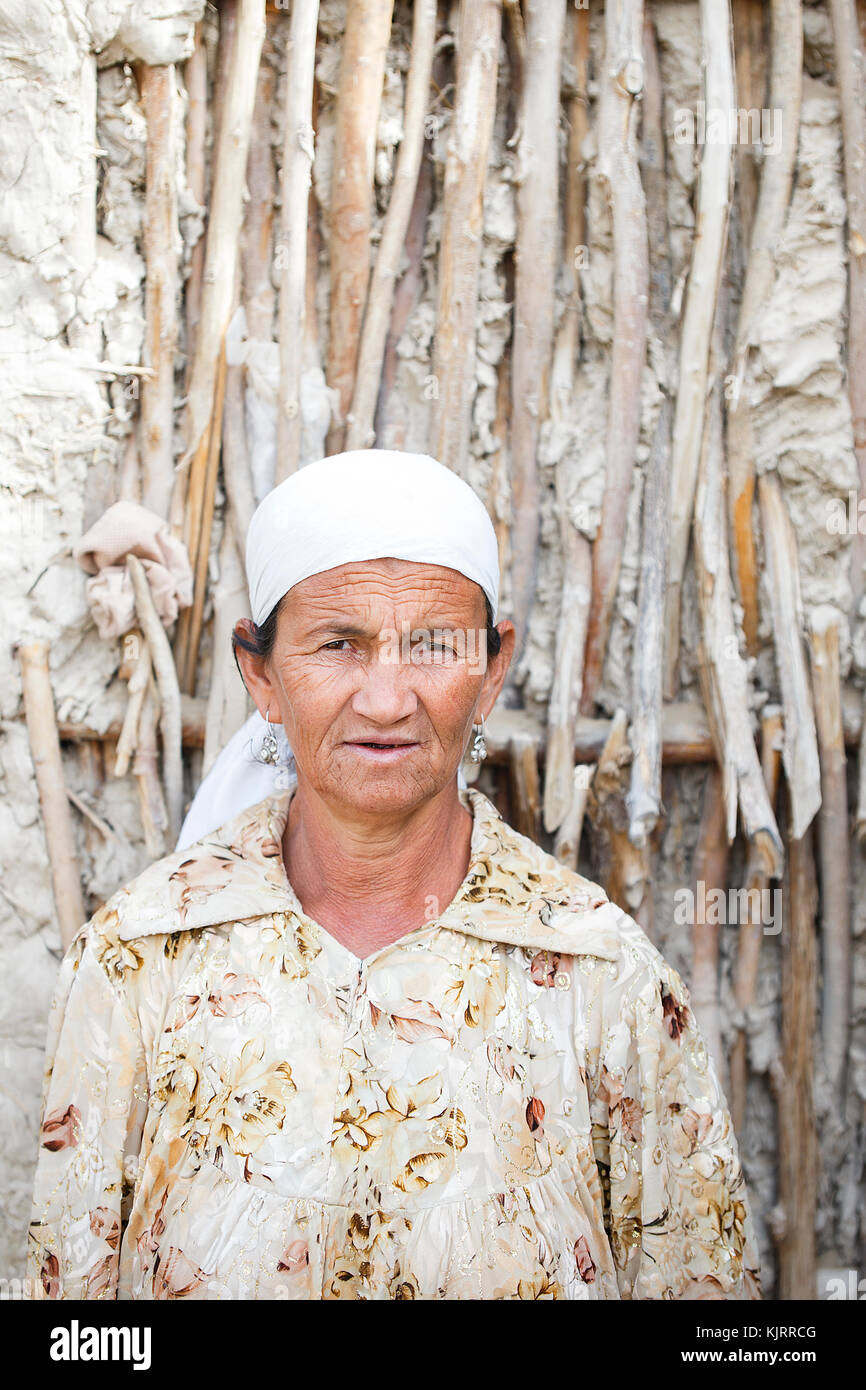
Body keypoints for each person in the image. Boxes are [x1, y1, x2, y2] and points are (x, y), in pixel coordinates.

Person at [26, 449, 762, 1300]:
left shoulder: (602, 978)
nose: (385, 697)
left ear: (491, 671)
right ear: (261, 673)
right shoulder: (139, 962)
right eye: (340, 644)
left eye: (434, 645)